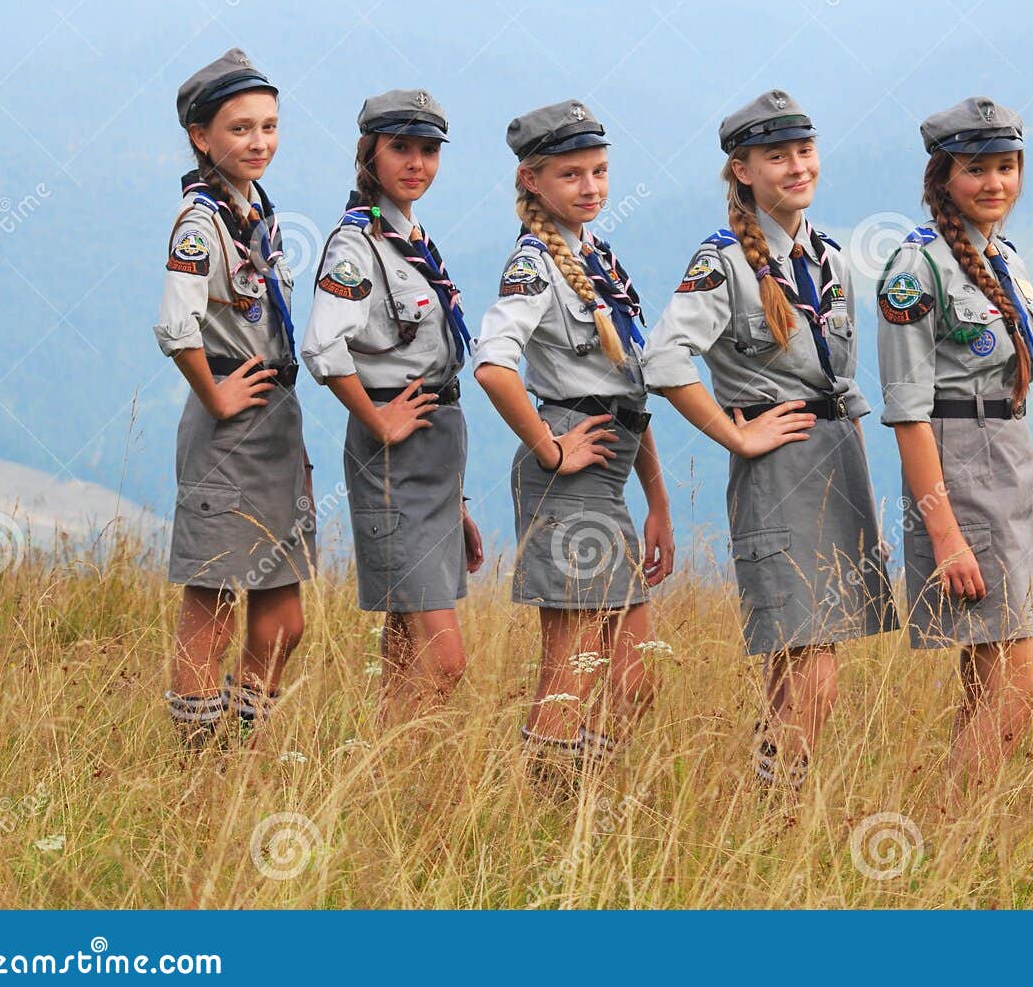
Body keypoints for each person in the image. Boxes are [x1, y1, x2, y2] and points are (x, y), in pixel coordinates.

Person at [641, 89, 897, 791]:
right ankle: (777, 812)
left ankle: (768, 814)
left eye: (804, 151)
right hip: (778, 466)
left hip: (836, 460)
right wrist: (736, 434)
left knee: (807, 669)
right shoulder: (721, 260)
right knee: (810, 671)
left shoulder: (832, 258)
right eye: (775, 155)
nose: (795, 166)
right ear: (742, 169)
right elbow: (662, 357)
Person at [474, 99, 672, 784]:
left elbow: (628, 387)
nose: (591, 187)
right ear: (532, 180)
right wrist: (551, 448)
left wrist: (659, 500)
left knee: (636, 677)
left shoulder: (598, 258)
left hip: (612, 473)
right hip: (569, 475)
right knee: (572, 668)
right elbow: (494, 367)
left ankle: (584, 800)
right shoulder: (533, 264)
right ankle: (541, 811)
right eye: (571, 175)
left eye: (599, 170)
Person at [876, 96, 1033, 788]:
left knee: (989, 688)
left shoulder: (1002, 258)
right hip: (962, 471)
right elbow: (907, 412)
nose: (995, 183)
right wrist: (946, 534)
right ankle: (949, 824)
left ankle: (959, 838)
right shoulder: (914, 267)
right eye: (976, 169)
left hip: (1011, 464)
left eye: (1007, 166)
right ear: (943, 178)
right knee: (1022, 689)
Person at [300, 88, 484, 726]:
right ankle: (413, 772)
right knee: (446, 658)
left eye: (429, 150)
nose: (417, 163)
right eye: (400, 148)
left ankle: (396, 774)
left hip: (435, 452)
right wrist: (376, 420)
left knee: (407, 642)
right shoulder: (356, 245)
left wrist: (454, 502)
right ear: (368, 154)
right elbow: (324, 345)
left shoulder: (411, 237)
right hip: (394, 450)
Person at [154, 48, 312, 748]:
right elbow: (174, 322)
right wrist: (215, 397)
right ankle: (198, 769)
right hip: (229, 423)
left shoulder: (253, 210)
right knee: (213, 608)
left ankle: (240, 748)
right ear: (200, 135)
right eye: (241, 128)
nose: (259, 142)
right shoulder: (200, 220)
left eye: (269, 126)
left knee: (285, 622)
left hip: (275, 421)